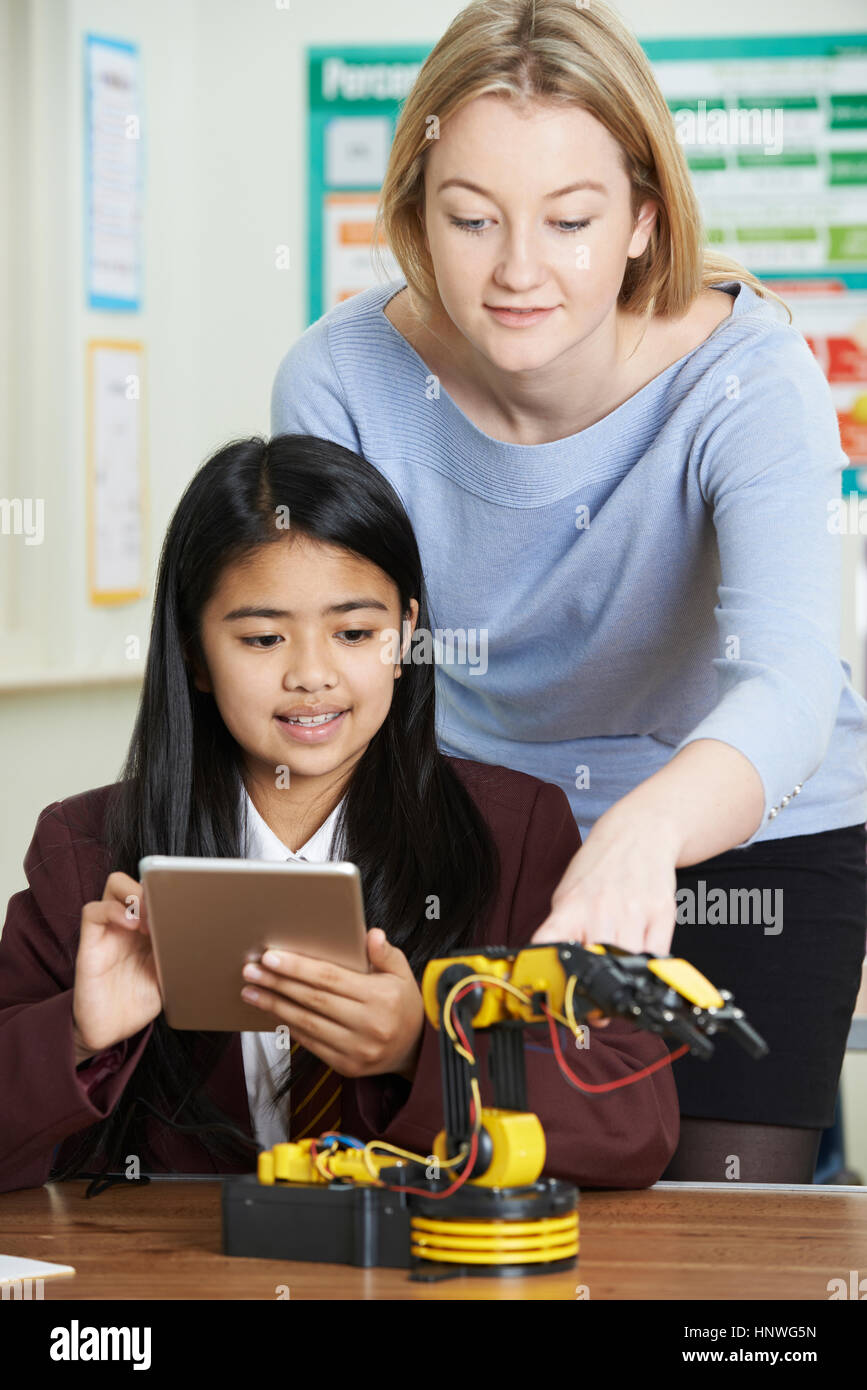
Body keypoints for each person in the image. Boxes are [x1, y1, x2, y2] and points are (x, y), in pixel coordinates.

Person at [270, 0, 867, 1182]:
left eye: (572, 219)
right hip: (475, 823)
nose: (518, 270)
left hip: (741, 831)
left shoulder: (745, 381)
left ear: (645, 218)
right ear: (415, 217)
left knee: (709, 1229)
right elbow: (329, 663)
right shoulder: (338, 379)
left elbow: (794, 677)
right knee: (475, 1184)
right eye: (472, 219)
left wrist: (643, 830)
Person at [0, 434, 680, 1195]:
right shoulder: (87, 850)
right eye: (262, 638)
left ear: (406, 636)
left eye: (355, 633)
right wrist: (78, 1033)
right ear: (193, 652)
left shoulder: (516, 830)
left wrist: (420, 1049)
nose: (312, 675)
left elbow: (635, 1123)